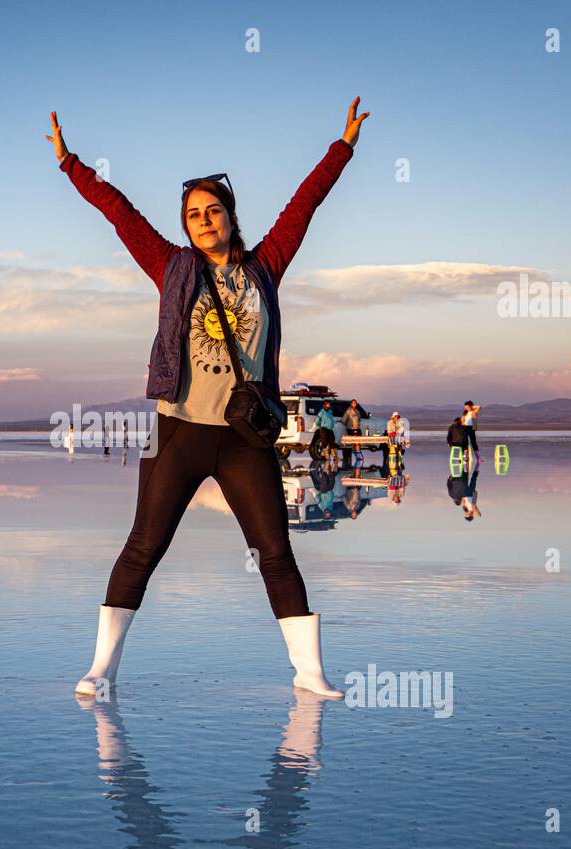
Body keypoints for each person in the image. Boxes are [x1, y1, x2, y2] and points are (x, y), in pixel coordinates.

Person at [48, 97, 368, 698]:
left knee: (276, 551)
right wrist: (71, 164)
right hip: (181, 429)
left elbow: (306, 203)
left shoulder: (265, 266)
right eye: (193, 214)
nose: (203, 220)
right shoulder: (171, 266)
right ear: (186, 224)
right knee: (144, 545)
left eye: (212, 210)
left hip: (245, 438)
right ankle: (102, 668)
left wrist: (342, 147)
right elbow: (121, 215)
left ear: (229, 216)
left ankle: (310, 673)